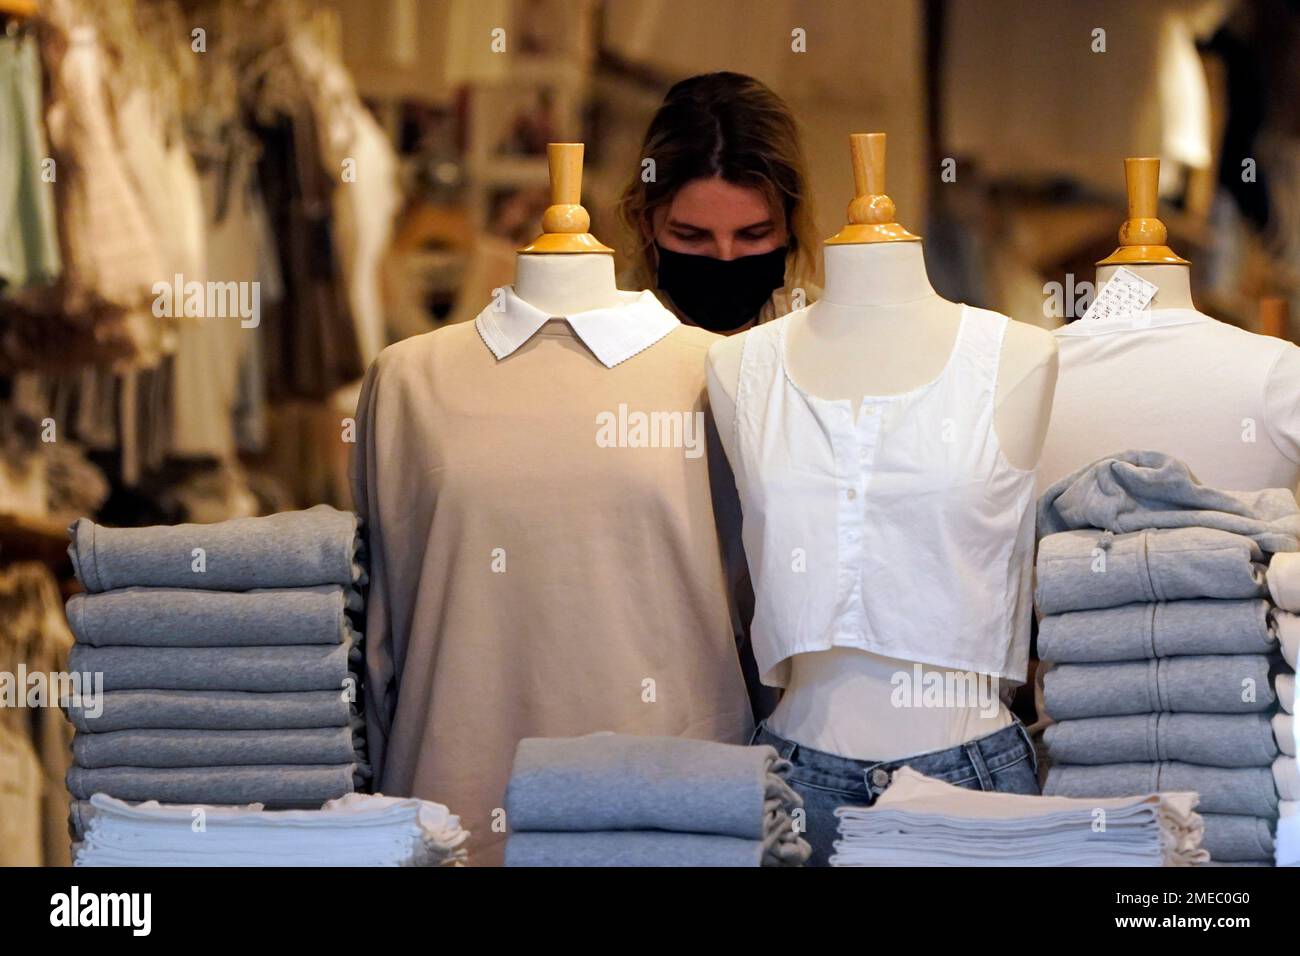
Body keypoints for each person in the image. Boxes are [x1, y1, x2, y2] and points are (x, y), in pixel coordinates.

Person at [617, 71, 819, 334]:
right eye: (691, 236)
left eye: (753, 235)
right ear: (645, 221)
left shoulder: (829, 336)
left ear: (790, 224)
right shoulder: (599, 337)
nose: (725, 258)